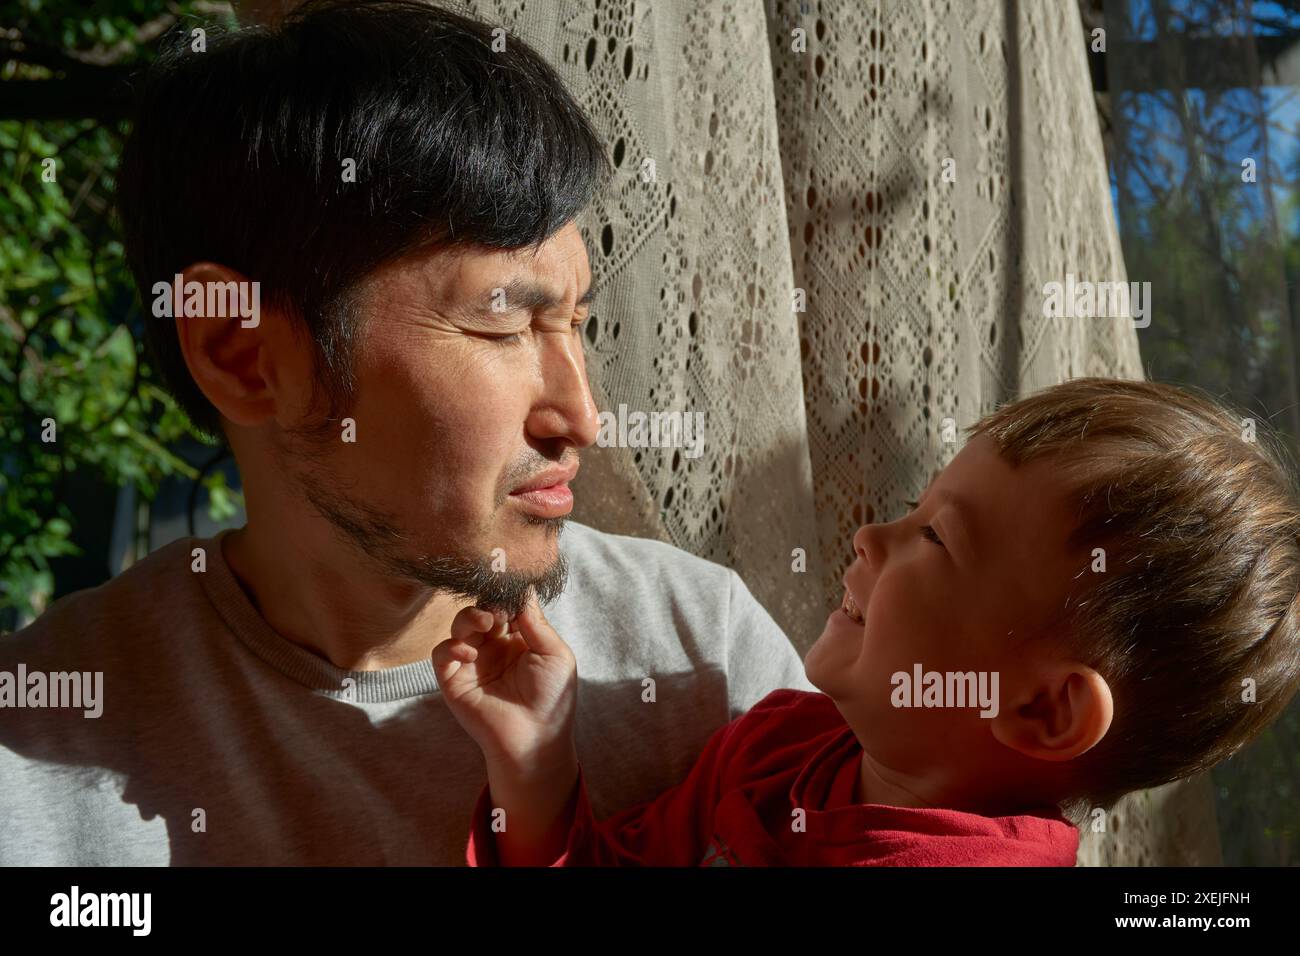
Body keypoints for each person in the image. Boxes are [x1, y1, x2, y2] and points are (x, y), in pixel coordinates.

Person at [0, 0, 813, 865]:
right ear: (242, 355)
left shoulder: (700, 660)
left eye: (577, 322)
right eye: (503, 326)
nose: (582, 416)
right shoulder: (36, 744)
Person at [438, 379, 1300, 866]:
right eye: (910, 506)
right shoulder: (777, 748)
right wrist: (538, 770)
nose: (868, 535)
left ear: (1043, 710)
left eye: (935, 535)